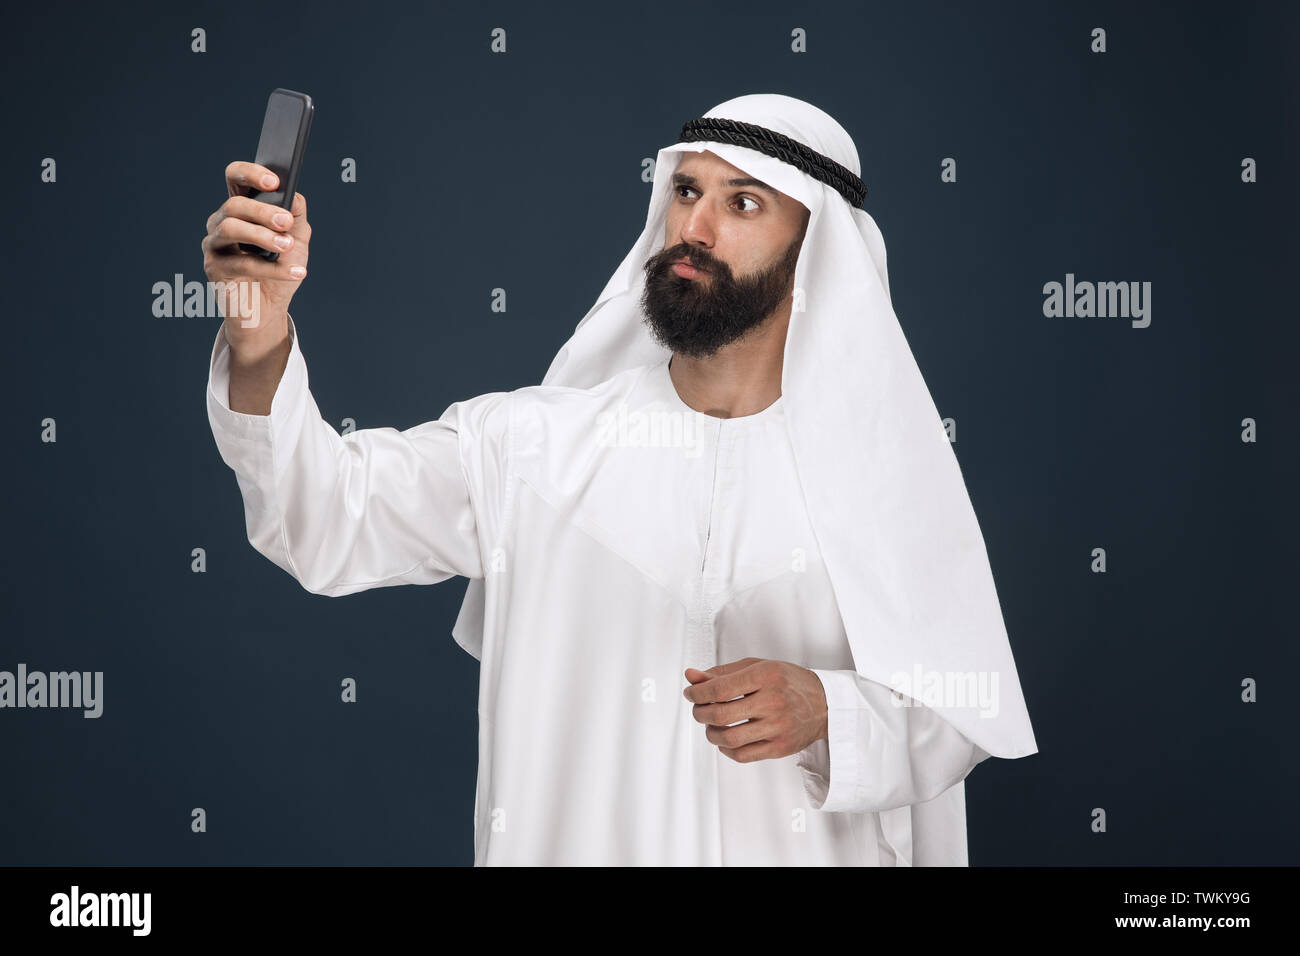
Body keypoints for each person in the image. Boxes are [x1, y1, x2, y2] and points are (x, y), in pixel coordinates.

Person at [201, 93, 1037, 866]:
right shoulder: (531, 447)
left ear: (816, 250)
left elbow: (959, 712)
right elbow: (320, 519)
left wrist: (829, 709)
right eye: (685, 193)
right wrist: (257, 328)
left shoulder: (881, 476)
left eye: (742, 203)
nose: (695, 227)